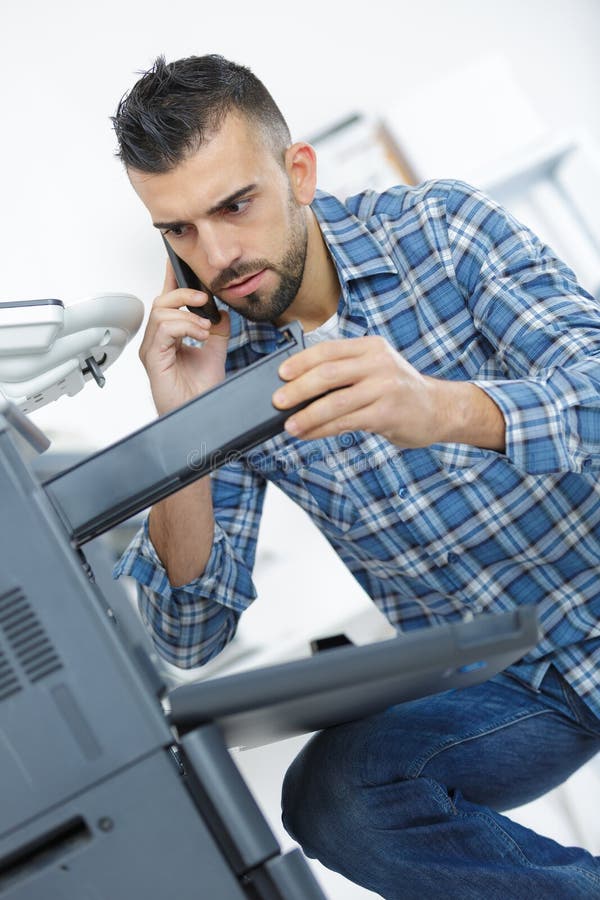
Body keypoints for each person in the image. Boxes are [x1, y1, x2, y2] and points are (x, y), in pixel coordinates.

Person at [111, 54, 600, 899]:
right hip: (510, 680)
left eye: (235, 206)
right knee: (337, 798)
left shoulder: (440, 230)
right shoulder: (218, 364)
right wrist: (180, 428)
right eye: (180, 232)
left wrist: (444, 410)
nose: (219, 255)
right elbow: (188, 634)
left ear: (297, 172)